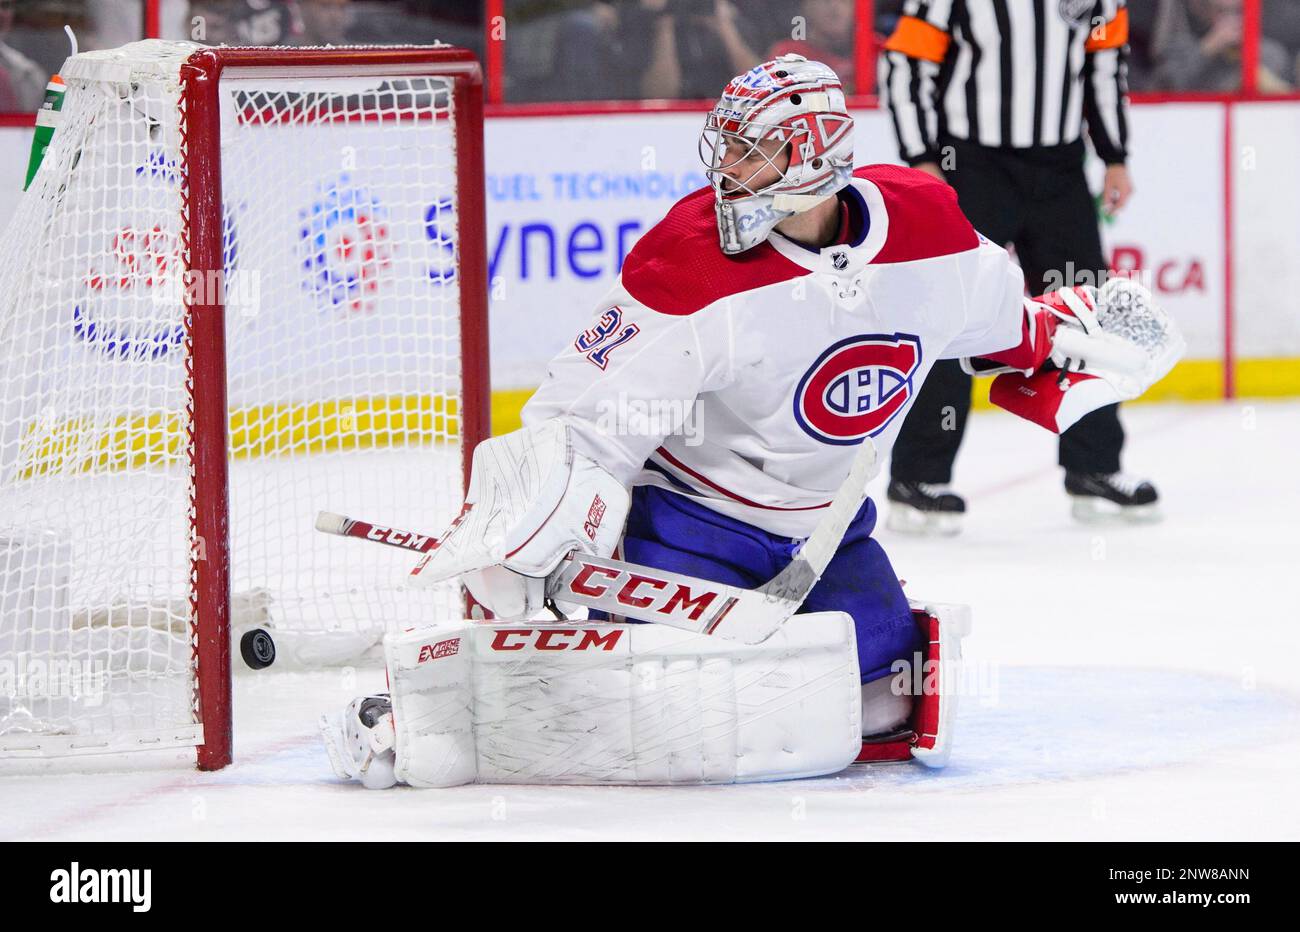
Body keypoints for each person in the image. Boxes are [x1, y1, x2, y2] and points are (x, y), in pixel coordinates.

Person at [321, 55, 1179, 787]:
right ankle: (465, 699)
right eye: (726, 144)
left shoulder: (928, 230)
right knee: (656, 698)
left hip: (827, 535)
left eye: (751, 148)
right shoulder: (689, 258)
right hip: (691, 528)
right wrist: (535, 527)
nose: (726, 165)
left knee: (885, 701)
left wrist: (1080, 334)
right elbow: (578, 418)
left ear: (811, 157)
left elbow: (1007, 330)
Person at [879, 0, 1161, 532]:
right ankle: (918, 478)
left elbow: (1104, 65)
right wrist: (921, 158)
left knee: (1087, 316)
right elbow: (905, 65)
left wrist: (1115, 155)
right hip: (972, 163)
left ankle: (1094, 467)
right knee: (954, 316)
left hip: (1059, 167)